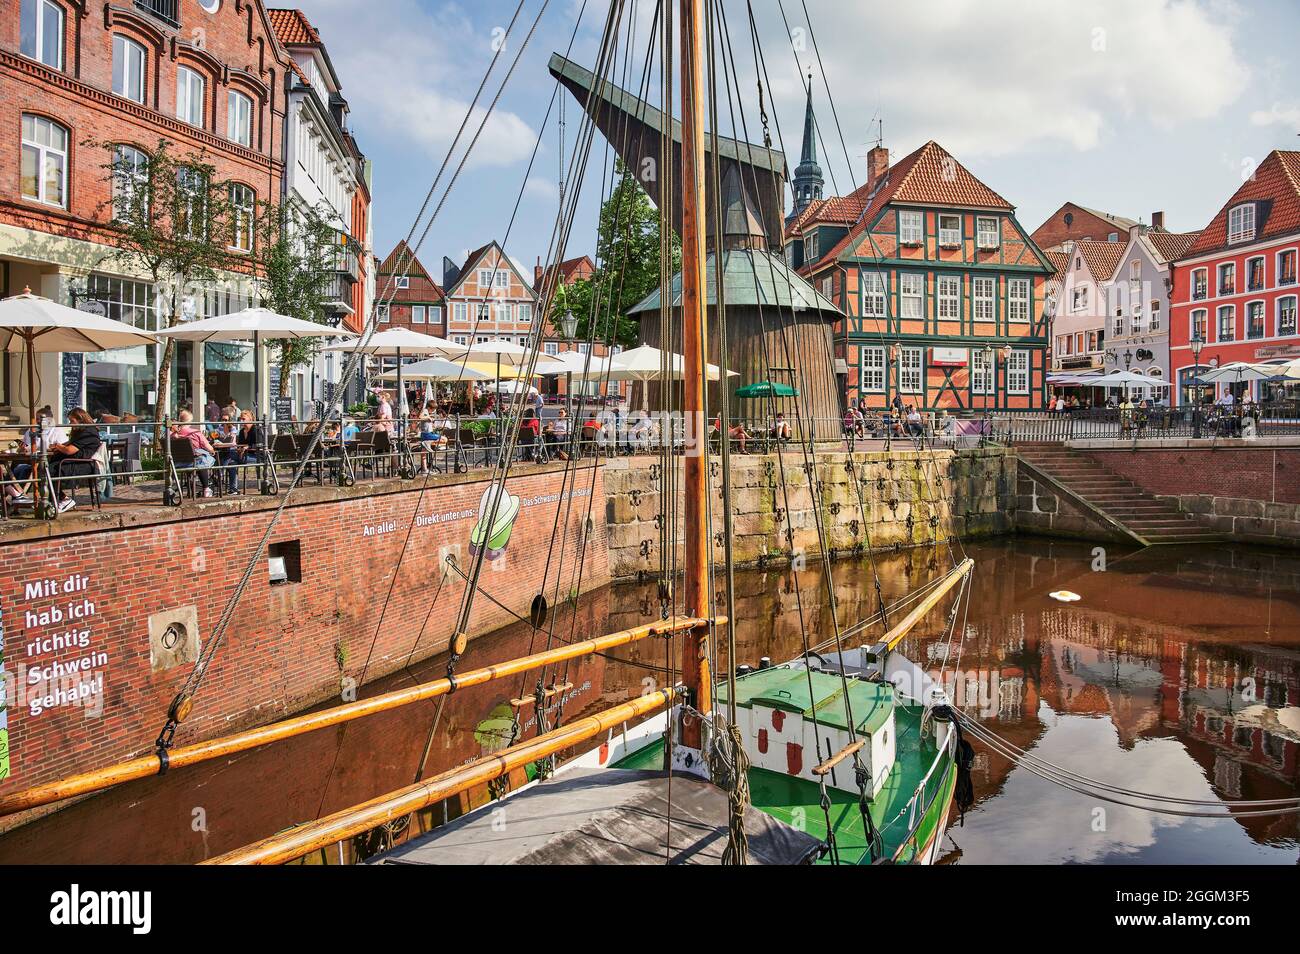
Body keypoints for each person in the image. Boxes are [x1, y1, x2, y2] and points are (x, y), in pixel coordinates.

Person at [48, 408, 102, 511]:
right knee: (46, 468)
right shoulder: (80, 431)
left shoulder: (89, 432)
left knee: (49, 471)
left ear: (81, 420)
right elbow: (68, 444)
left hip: (83, 464)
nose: (70, 423)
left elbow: (69, 450)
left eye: (72, 421)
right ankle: (54, 499)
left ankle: (63, 499)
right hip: (73, 461)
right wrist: (57, 447)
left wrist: (57, 446)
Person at [172, 409, 218, 497]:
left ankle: (192, 488)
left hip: (178, 463)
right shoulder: (195, 433)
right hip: (193, 462)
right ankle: (206, 488)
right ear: (190, 421)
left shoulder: (173, 435)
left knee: (201, 460)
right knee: (206, 460)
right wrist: (212, 450)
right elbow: (208, 447)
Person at [222, 410, 266, 494]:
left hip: (257, 456)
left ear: (250, 419)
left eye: (243, 418)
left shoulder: (256, 429)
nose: (241, 420)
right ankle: (233, 489)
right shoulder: (242, 431)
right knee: (232, 462)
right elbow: (240, 444)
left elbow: (260, 445)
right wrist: (239, 448)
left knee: (229, 454)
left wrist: (247, 447)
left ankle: (220, 472)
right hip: (243, 455)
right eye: (240, 418)